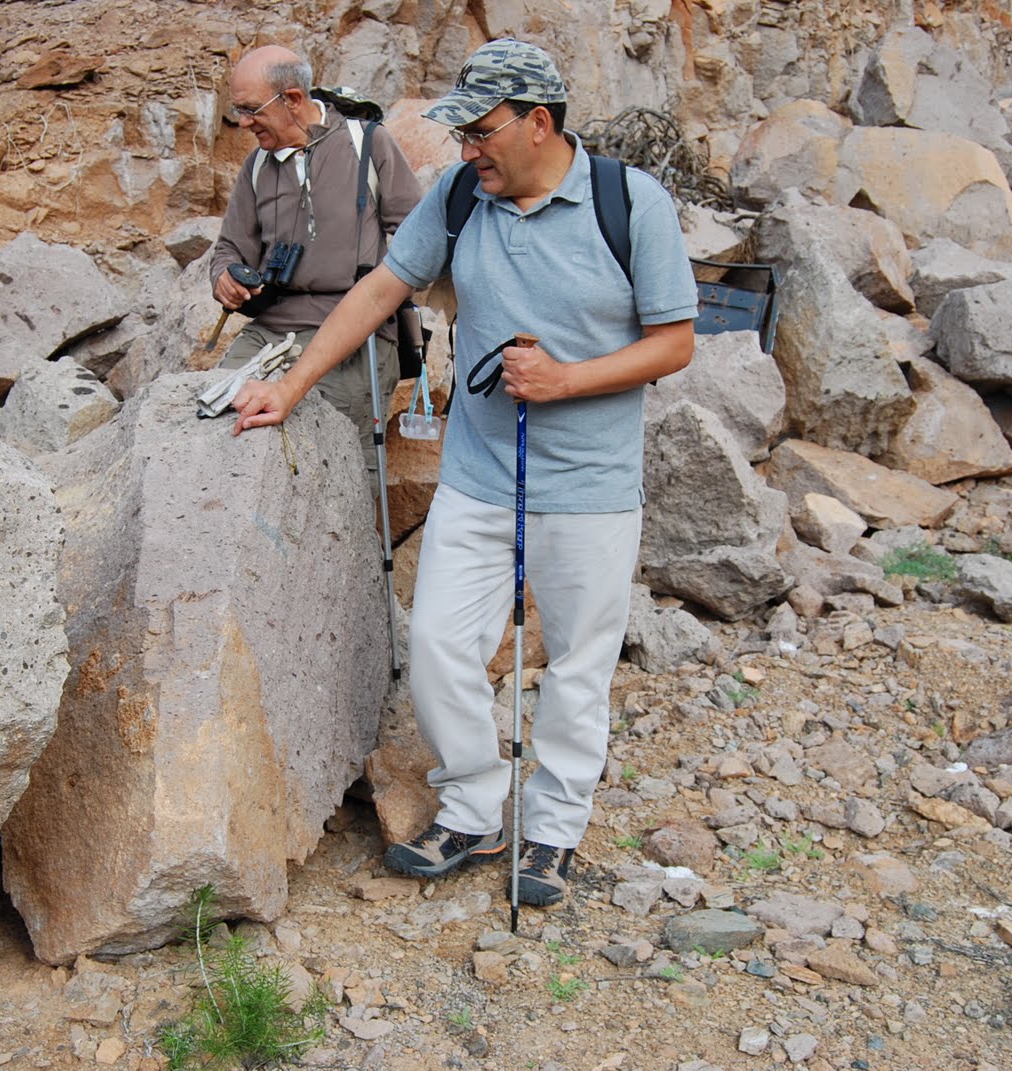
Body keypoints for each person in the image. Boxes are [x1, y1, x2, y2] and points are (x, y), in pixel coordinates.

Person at [231, 39, 698, 907]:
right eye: (461, 134)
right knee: (442, 644)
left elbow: (674, 341)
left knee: (577, 666)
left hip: (589, 486)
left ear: (539, 123)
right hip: (482, 474)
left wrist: (567, 379)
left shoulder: (630, 204)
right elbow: (378, 293)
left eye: (480, 133)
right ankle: (475, 806)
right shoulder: (456, 196)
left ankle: (553, 831)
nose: (465, 150)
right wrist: (289, 384)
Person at [209, 45, 422, 477]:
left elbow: (419, 241)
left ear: (292, 98)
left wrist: (379, 293)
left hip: (356, 330)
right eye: (238, 110)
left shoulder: (368, 145)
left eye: (251, 110)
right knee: (221, 414)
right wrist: (224, 278)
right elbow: (229, 248)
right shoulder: (257, 165)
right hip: (271, 326)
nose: (244, 123)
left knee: (337, 461)